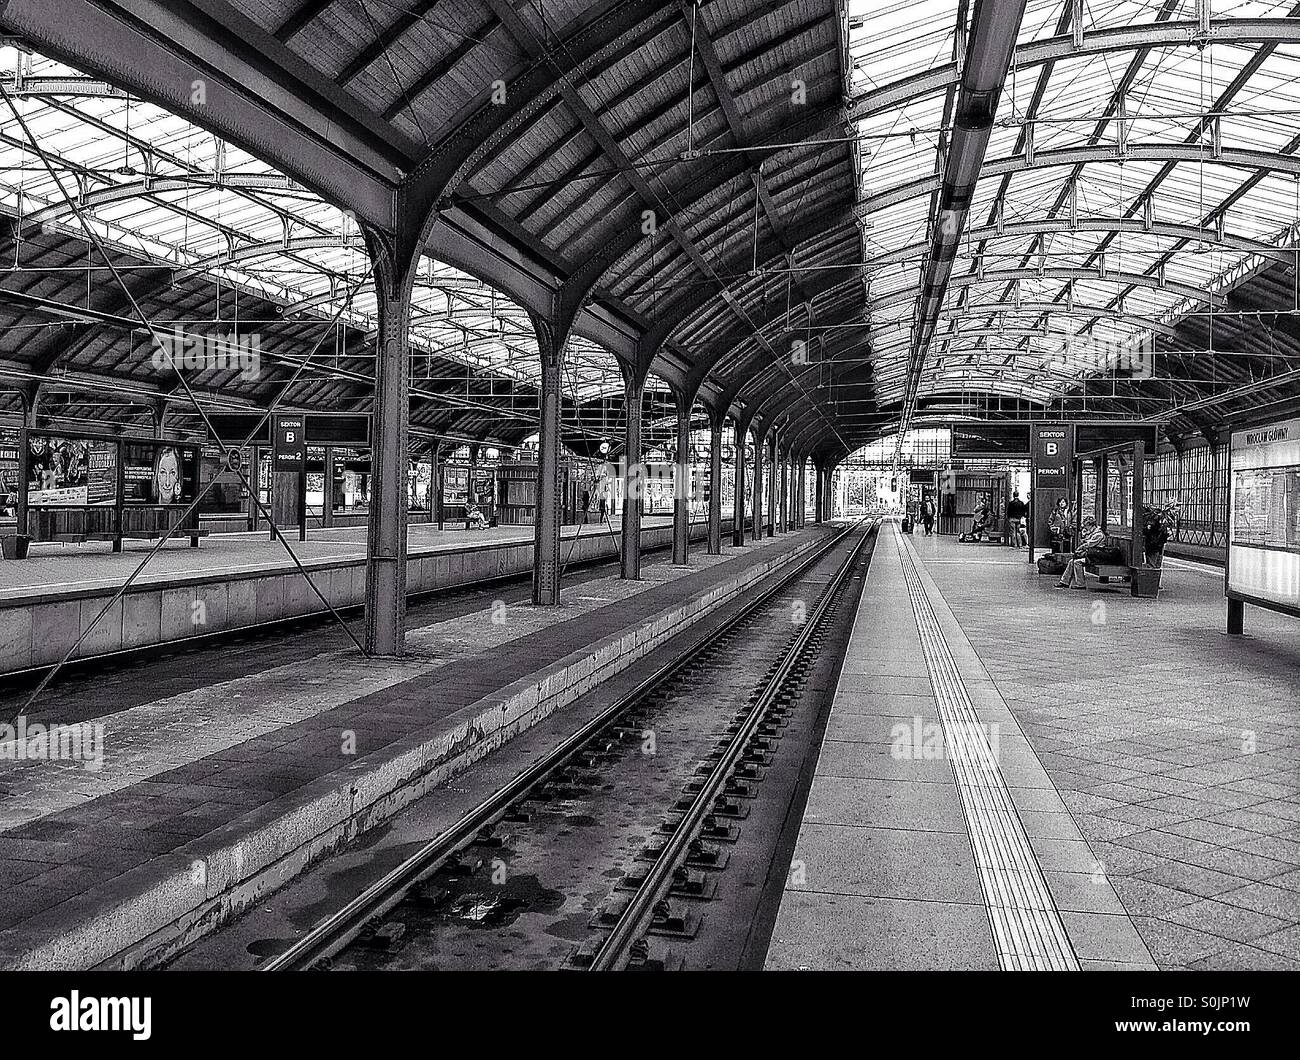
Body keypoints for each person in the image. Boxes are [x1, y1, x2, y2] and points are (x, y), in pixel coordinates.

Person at [1057, 515, 1104, 589]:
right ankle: (1064, 581)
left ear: (1091, 525)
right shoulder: (1093, 533)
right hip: (1091, 555)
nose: (1085, 528)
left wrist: (1078, 549)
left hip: (1096, 557)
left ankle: (1081, 584)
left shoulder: (1098, 535)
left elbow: (1087, 545)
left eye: (1086, 526)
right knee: (1071, 561)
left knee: (1077, 562)